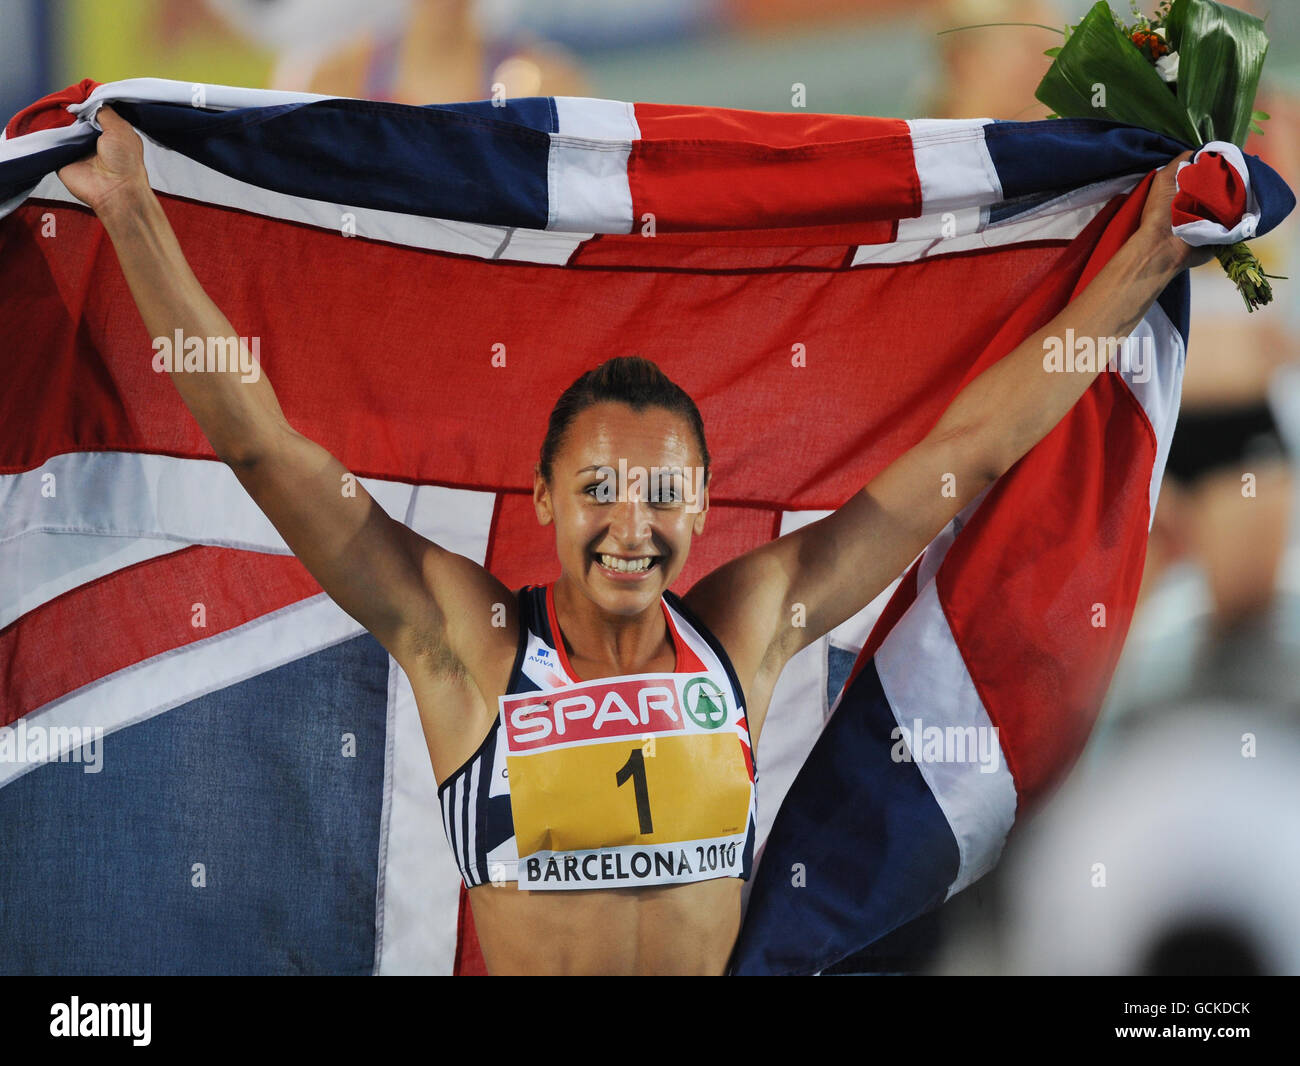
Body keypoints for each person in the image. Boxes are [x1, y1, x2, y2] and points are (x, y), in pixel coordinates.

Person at [57, 104, 1209, 975]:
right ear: (545, 501)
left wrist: (1144, 262)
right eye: (599, 489)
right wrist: (133, 213)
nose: (631, 522)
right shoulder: (466, 638)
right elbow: (268, 451)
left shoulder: (751, 624)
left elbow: (970, 449)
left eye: (661, 494)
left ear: (703, 506)